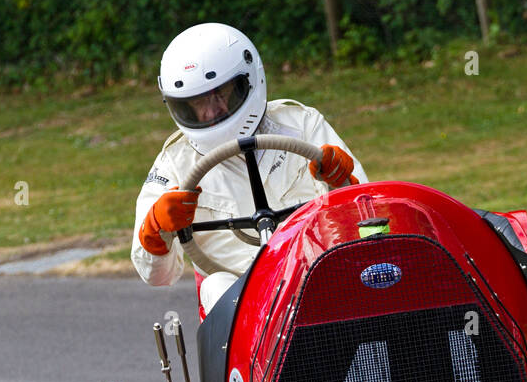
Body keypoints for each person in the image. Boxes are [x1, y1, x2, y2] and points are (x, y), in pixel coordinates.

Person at [131, 23, 367, 314]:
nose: (210, 112)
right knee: (215, 285)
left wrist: (340, 181)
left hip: (318, 277)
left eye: (221, 94)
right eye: (196, 103)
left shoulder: (302, 124)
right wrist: (157, 227)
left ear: (247, 81)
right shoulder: (174, 163)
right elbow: (157, 276)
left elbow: (367, 222)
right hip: (241, 305)